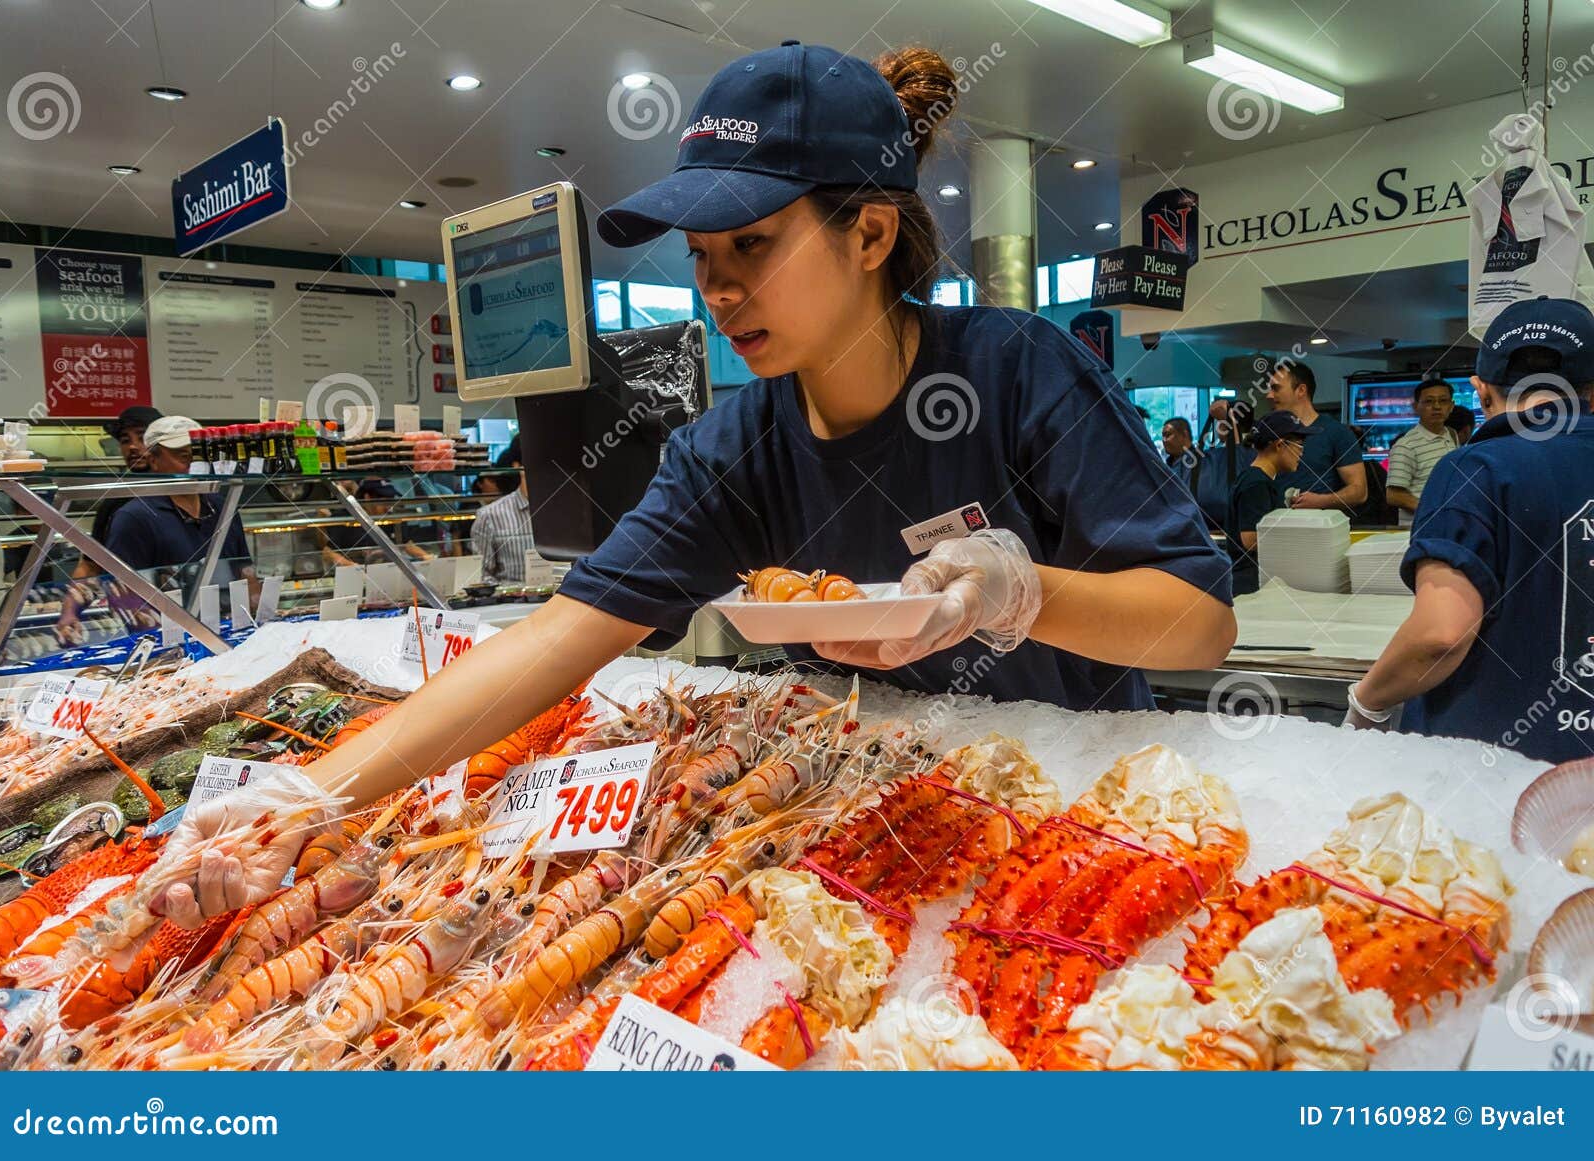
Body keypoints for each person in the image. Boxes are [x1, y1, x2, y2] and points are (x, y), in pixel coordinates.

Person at [147, 42, 1236, 925]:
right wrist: (304, 795)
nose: (717, 291)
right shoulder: (730, 449)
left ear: (868, 231)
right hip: (895, 828)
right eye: (700, 258)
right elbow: (554, 638)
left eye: (751, 247)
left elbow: (1197, 627)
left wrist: (1019, 592)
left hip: (1092, 816)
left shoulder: (1019, 369)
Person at [1345, 297, 1594, 764]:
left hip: (1495, 782)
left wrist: (1367, 704)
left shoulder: (1473, 469)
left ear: (1480, 391)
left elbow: (1440, 635)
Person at [100, 416, 261, 602]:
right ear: (153, 460)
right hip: (169, 629)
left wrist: (260, 618)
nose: (197, 464)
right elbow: (123, 597)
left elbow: (245, 573)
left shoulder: (222, 506)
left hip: (229, 625)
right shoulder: (134, 518)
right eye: (184, 456)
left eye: (200, 454)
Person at [56, 404, 163, 642]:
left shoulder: (190, 493)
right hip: (139, 630)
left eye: (142, 438)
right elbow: (91, 566)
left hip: (195, 618)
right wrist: (69, 612)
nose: (133, 446)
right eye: (126, 440)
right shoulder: (115, 502)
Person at [1226, 411, 1314, 596]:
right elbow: (1251, 540)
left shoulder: (1257, 479)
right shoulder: (1256, 483)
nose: (1301, 452)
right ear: (1280, 445)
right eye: (1300, 445)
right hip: (1249, 583)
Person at [1265, 360, 1367, 512]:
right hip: (1275, 526)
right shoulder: (1271, 433)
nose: (1269, 395)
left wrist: (1322, 501)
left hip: (1318, 528)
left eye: (1276, 388)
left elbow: (1360, 491)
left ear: (1301, 390)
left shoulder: (1336, 433)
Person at [1384, 377, 1461, 526]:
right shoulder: (1406, 446)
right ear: (1416, 406)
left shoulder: (1451, 434)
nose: (1437, 406)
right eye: (1429, 401)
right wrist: (1433, 510)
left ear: (1451, 406)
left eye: (1443, 401)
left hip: (1448, 525)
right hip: (1418, 528)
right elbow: (1393, 495)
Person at [320, 479, 433, 570]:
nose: (389, 507)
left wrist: (426, 557)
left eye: (391, 501)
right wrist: (352, 567)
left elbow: (405, 544)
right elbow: (328, 552)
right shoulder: (346, 519)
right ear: (367, 498)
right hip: (356, 577)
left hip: (388, 571)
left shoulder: (391, 517)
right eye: (384, 501)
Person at [1191, 399, 1255, 536]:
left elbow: (1237, 454)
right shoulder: (1252, 452)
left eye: (1220, 422)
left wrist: (1228, 419)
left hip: (1230, 531)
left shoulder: (1247, 453)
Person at [470, 469, 535, 584]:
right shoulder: (489, 516)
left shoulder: (563, 509)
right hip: (510, 600)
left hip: (563, 598)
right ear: (521, 469)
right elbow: (482, 574)